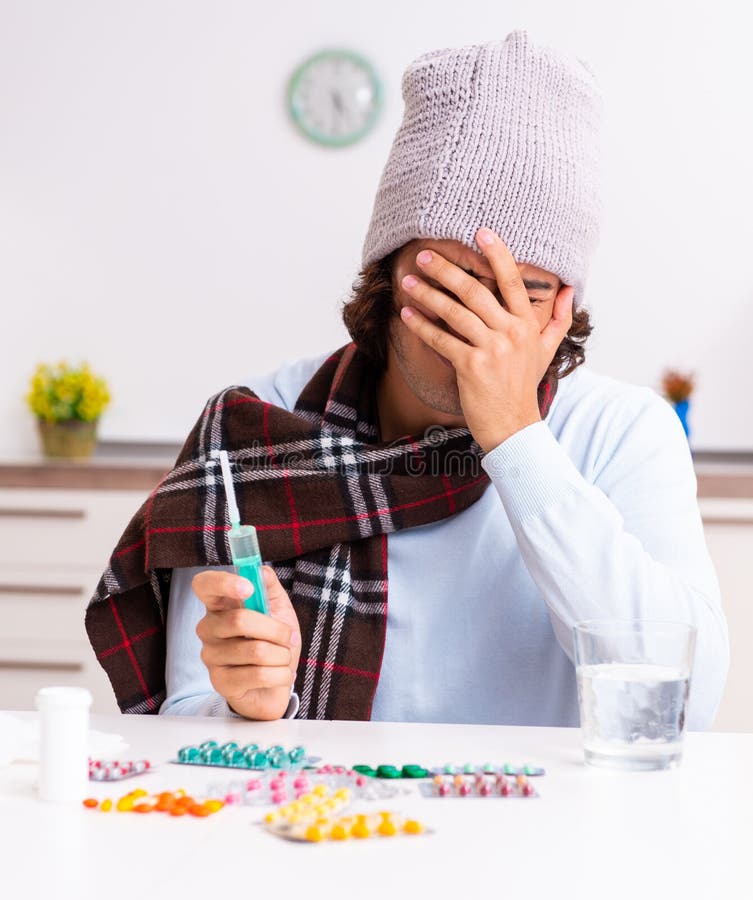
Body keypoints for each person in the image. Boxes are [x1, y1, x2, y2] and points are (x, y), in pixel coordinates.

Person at [86, 30, 728, 727]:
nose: (474, 327)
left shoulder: (619, 433)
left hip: (539, 829)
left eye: (525, 290)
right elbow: (186, 717)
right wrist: (247, 704)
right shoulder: (256, 428)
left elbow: (680, 705)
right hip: (316, 826)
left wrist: (516, 438)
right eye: (446, 283)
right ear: (389, 271)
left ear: (563, 305)